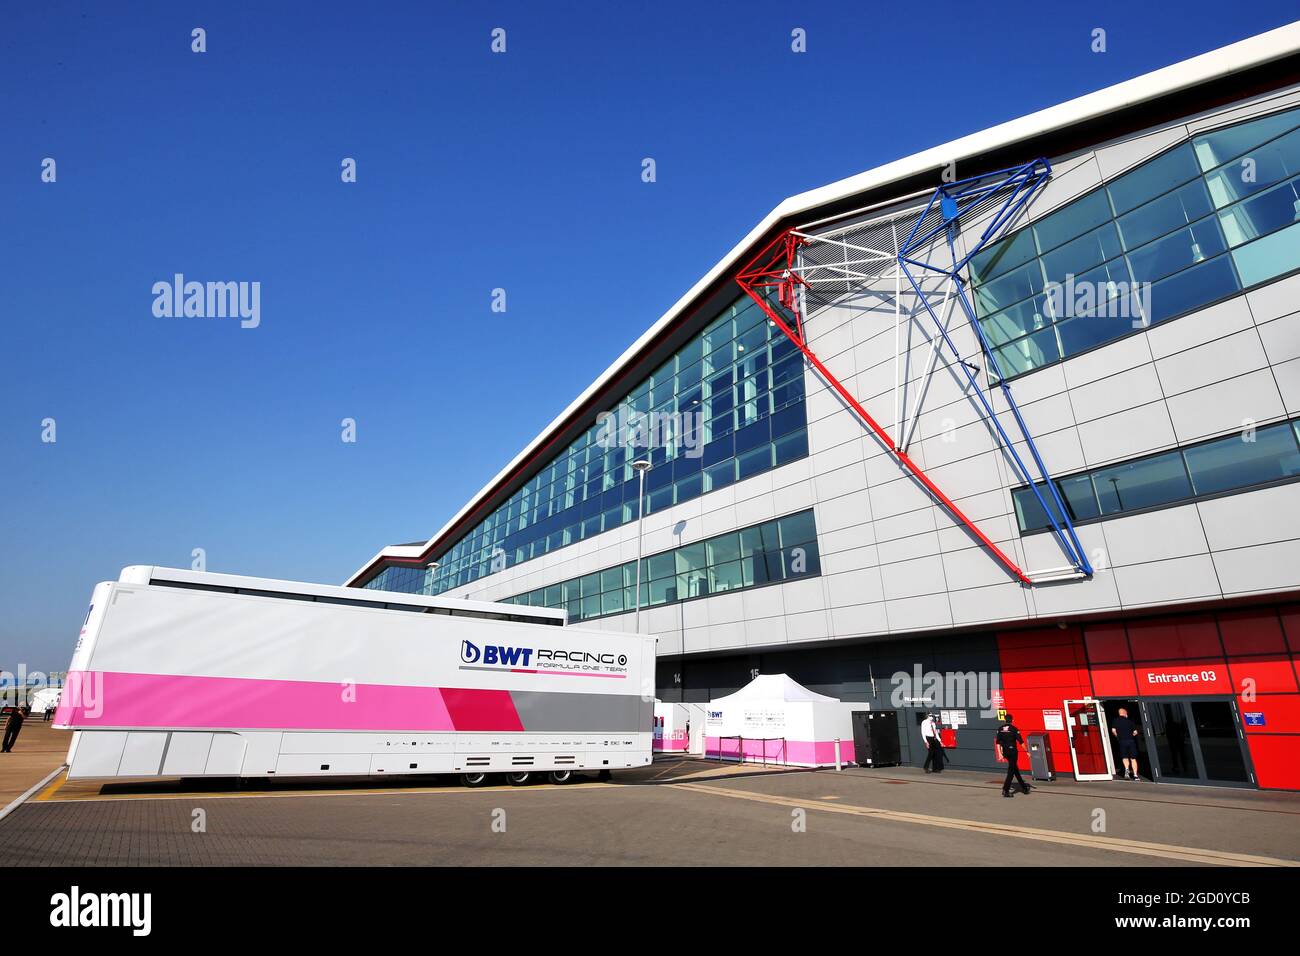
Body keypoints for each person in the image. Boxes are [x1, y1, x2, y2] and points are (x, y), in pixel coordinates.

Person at [996, 713, 1030, 798]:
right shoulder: (1014, 729)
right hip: (1012, 752)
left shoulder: (1000, 729)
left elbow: (998, 743)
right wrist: (1027, 751)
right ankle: (1006, 790)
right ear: (1012, 720)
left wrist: (1000, 754)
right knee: (1011, 771)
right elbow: (1021, 742)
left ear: (1004, 720)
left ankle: (1024, 788)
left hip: (1005, 752)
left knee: (1015, 769)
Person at [1110, 706, 1141, 781]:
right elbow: (1135, 732)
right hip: (1130, 741)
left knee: (1125, 757)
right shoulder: (1130, 721)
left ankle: (1126, 770)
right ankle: (1135, 775)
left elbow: (1113, 730)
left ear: (1119, 713)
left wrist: (1118, 737)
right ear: (1125, 713)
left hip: (1122, 741)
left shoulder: (1115, 721)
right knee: (1133, 758)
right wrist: (1131, 735)